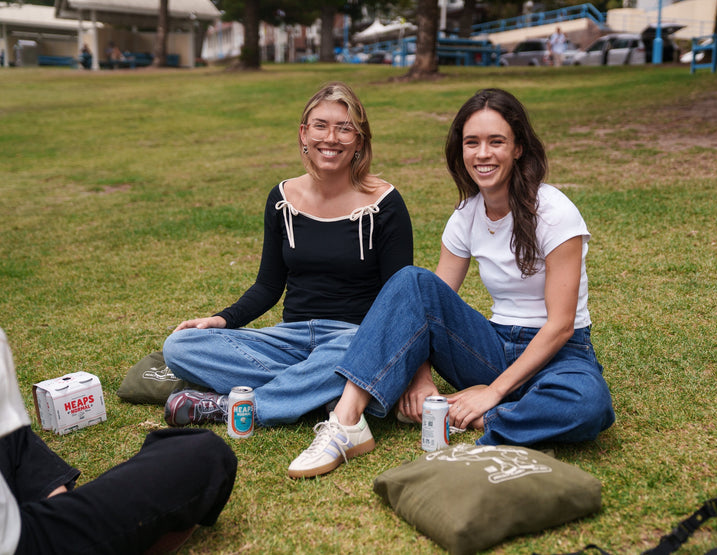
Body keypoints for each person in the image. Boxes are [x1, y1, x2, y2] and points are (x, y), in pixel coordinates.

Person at [288, 88, 615, 479]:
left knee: (588, 404)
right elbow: (423, 308)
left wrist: (491, 392)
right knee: (412, 280)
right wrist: (422, 379)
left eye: (496, 142)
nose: (483, 154)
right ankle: (346, 422)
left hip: (560, 354)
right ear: (460, 151)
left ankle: (481, 415)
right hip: (492, 347)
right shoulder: (466, 215)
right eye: (472, 142)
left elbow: (560, 326)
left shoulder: (555, 211)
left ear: (518, 148)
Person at [162, 82, 413, 429]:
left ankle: (242, 407)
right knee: (180, 346)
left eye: (345, 129)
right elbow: (268, 286)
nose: (331, 138)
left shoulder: (384, 203)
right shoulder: (282, 199)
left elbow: (398, 299)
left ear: (359, 141)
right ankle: (327, 389)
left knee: (354, 354)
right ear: (304, 134)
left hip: (354, 338)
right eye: (321, 126)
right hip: (289, 339)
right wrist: (220, 320)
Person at [0, 328, 238, 555]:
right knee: (205, 453)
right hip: (23, 542)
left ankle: (64, 510)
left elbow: (14, 440)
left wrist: (61, 506)